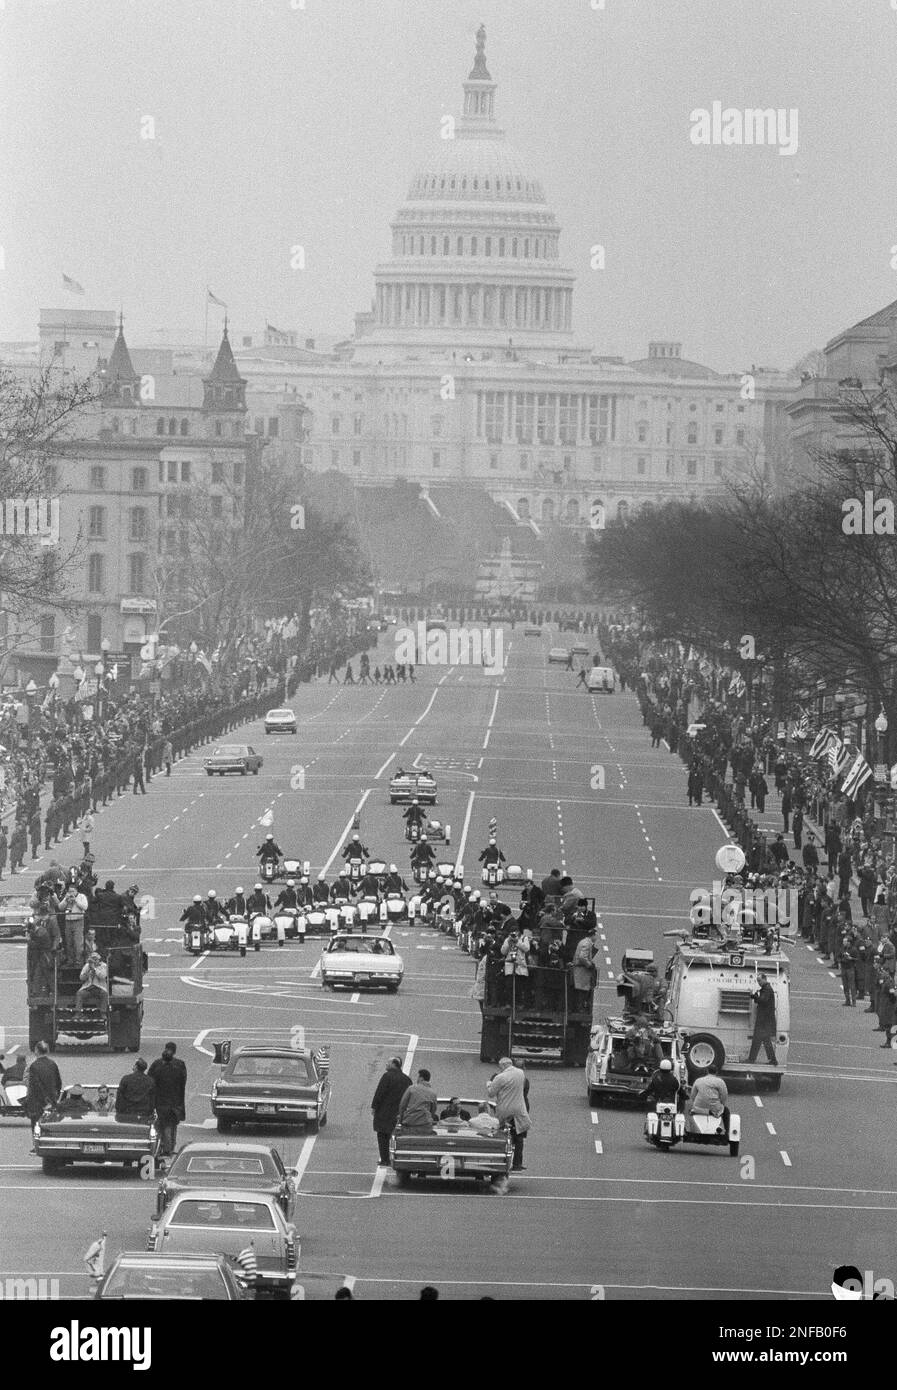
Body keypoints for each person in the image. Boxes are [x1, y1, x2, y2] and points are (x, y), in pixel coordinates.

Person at [487, 1057, 530, 1171]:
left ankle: (499, 1161)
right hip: (519, 1110)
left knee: (500, 1135)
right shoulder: (520, 1073)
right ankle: (517, 1164)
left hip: (504, 1110)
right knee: (519, 1137)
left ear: (502, 1066)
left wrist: (489, 1084)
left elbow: (491, 1093)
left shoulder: (500, 1077)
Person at [370, 1057, 412, 1166]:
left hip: (384, 1112)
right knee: (396, 1136)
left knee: (383, 1136)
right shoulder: (407, 1079)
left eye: (388, 1062)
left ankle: (385, 1159)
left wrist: (374, 1106)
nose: (386, 1064)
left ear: (394, 1064)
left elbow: (380, 1092)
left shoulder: (387, 1076)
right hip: (399, 1113)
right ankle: (398, 1158)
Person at [148, 1043, 188, 1156]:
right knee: (171, 1124)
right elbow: (183, 1082)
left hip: (160, 1100)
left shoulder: (157, 1064)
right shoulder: (180, 1065)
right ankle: (169, 1147)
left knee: (161, 1124)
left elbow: (150, 1081)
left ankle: (163, 1147)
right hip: (175, 1101)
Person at [24, 1040, 62, 1131]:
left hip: (37, 1103)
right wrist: (53, 1098)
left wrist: (44, 1099)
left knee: (37, 1129)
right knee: (50, 1128)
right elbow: (58, 1083)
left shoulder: (34, 1066)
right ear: (47, 1051)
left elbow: (35, 1085)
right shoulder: (53, 1064)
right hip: (52, 1101)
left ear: (36, 1050)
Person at [688, 1064, 730, 1134]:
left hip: (698, 1108)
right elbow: (724, 1095)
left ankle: (692, 1128)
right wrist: (721, 1104)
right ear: (716, 1072)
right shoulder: (720, 1082)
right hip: (715, 1109)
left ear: (707, 1071)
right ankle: (727, 1131)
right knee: (726, 1111)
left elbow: (693, 1095)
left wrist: (696, 1103)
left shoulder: (698, 1080)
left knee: (690, 1110)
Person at [396, 1068, 438, 1134]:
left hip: (410, 1123)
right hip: (425, 1125)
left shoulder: (412, 1088)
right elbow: (433, 1110)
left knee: (408, 1142)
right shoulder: (433, 1093)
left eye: (418, 1077)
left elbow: (402, 1105)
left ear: (421, 1078)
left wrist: (401, 1119)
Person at [747, 976, 779, 1062]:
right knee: (765, 1040)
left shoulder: (767, 989)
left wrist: (755, 997)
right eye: (758, 981)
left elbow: (763, 1001)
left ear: (765, 979)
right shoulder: (767, 988)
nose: (759, 983)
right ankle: (772, 1060)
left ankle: (751, 1059)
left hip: (763, 1020)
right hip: (766, 1020)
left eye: (760, 980)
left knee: (757, 1039)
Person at [571, 928, 599, 1008]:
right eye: (596, 936)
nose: (596, 938)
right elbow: (582, 957)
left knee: (581, 990)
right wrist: (589, 965)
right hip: (582, 971)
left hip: (580, 970)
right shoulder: (587, 943)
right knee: (582, 990)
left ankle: (579, 1007)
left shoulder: (584, 941)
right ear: (592, 935)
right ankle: (579, 1008)